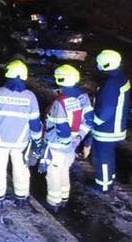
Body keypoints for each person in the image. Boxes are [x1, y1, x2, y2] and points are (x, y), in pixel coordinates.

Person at [0, 59, 43, 208]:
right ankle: (21, 197)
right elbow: (35, 124)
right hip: (21, 144)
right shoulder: (30, 97)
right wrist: (38, 143)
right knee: (21, 169)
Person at [40, 64, 94, 212]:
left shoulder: (60, 102)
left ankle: (53, 203)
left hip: (58, 145)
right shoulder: (83, 97)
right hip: (73, 143)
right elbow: (89, 121)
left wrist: (64, 142)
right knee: (64, 170)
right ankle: (64, 198)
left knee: (53, 173)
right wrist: (77, 139)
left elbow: (61, 127)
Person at [90, 49, 132, 192]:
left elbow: (107, 109)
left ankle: (104, 185)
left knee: (103, 157)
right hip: (116, 125)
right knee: (107, 156)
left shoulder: (111, 83)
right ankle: (108, 178)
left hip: (107, 128)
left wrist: (94, 121)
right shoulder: (120, 77)